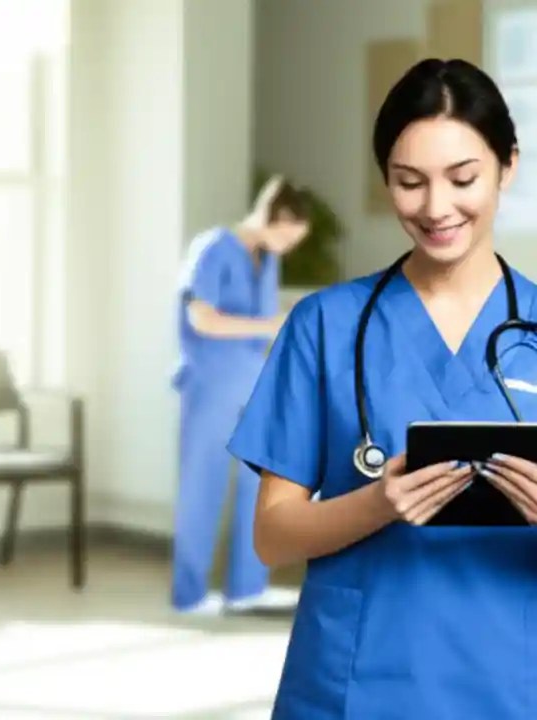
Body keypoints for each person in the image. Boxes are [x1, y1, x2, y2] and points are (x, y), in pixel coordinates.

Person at [229, 57, 537, 717]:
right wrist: (378, 504)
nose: (436, 208)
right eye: (408, 182)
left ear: (508, 165)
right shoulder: (326, 326)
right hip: (356, 685)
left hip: (511, 683)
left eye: (463, 179)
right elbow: (272, 536)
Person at [170, 175, 310, 614]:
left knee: (262, 484)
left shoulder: (267, 259)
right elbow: (203, 320)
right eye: (287, 235)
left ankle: (247, 588)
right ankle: (189, 594)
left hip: (254, 384)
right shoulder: (212, 249)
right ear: (272, 217)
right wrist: (270, 327)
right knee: (203, 486)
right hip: (210, 383)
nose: (288, 246)